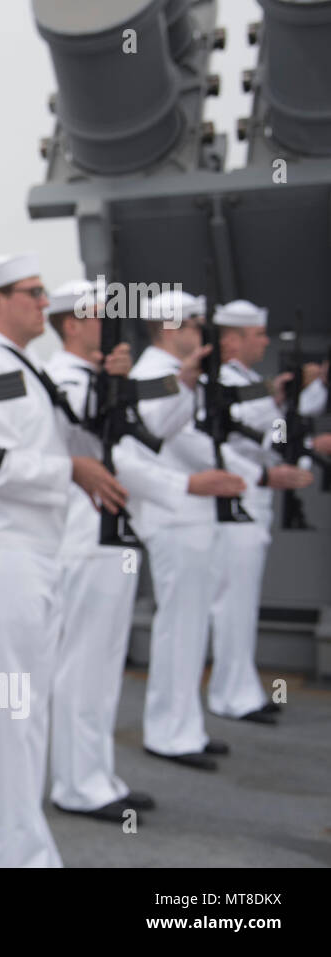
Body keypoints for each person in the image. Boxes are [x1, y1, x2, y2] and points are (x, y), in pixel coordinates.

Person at [0, 253, 127, 867]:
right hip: (0, 551)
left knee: (21, 715)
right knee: (12, 716)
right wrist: (68, 470)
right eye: (32, 292)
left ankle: (15, 852)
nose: (44, 303)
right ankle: (14, 857)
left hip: (28, 551)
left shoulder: (20, 365)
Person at [121, 290, 265, 771]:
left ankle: (186, 726)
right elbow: (162, 433)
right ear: (167, 328)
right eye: (190, 324)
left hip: (193, 513)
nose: (198, 331)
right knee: (179, 626)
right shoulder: (151, 375)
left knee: (191, 625)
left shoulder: (174, 376)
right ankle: (169, 732)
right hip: (172, 511)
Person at [41, 280, 158, 824]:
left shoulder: (97, 378)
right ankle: (77, 783)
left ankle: (97, 773)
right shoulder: (63, 377)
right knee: (83, 663)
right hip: (84, 534)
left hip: (110, 530)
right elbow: (77, 432)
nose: (104, 327)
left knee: (104, 662)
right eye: (95, 317)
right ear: (71, 324)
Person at [207, 300, 314, 724]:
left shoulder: (252, 382)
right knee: (231, 602)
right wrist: (267, 473)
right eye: (257, 334)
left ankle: (242, 686)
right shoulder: (223, 384)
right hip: (237, 500)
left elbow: (274, 431)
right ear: (231, 339)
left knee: (244, 602)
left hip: (255, 500)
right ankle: (230, 693)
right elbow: (223, 445)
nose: (264, 341)